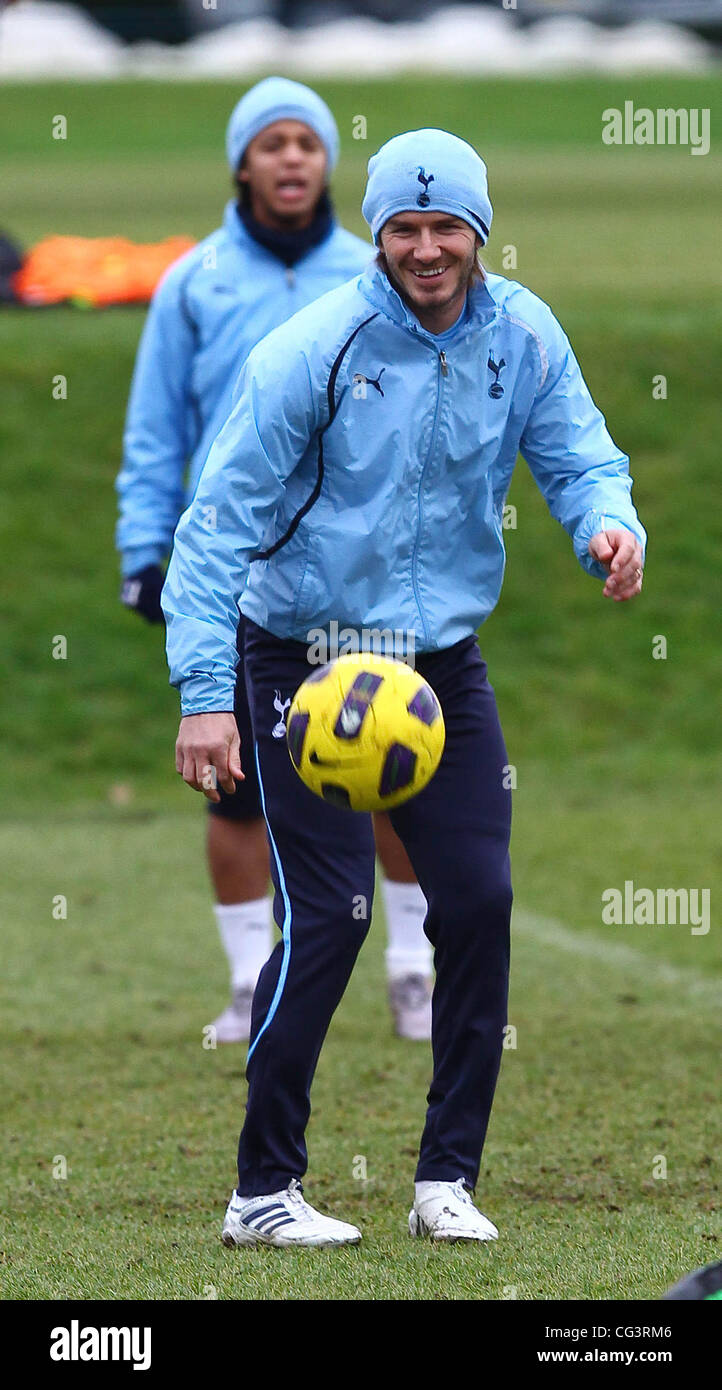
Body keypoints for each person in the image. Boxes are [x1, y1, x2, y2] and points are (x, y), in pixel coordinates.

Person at [162, 127, 647, 1247]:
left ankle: (445, 1182)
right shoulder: (310, 348)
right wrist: (203, 693)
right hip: (304, 661)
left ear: (477, 232)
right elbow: (215, 526)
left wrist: (606, 526)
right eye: (404, 228)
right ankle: (261, 1191)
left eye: (446, 228)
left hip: (436, 668)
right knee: (329, 913)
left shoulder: (521, 333)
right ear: (375, 232)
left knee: (476, 903)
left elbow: (577, 453)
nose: (426, 249)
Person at [116, 78, 434, 1044]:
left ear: (328, 161)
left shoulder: (369, 270)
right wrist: (144, 549)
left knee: (385, 749)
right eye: (272, 143)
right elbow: (155, 425)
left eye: (307, 141)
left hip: (360, 564)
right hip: (237, 571)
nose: (291, 157)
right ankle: (253, 979)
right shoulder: (194, 280)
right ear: (242, 163)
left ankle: (415, 970)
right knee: (237, 778)